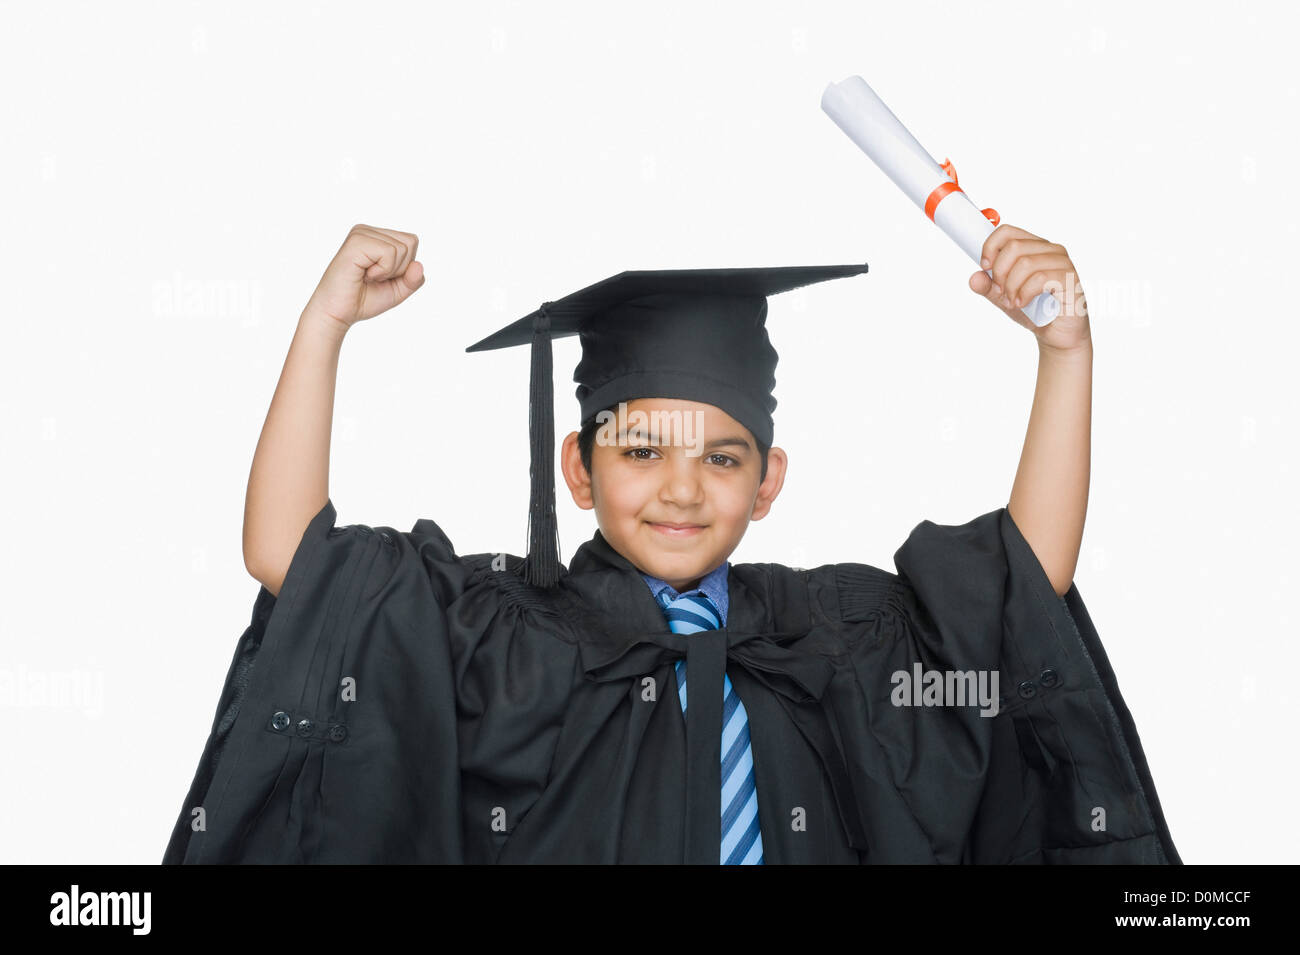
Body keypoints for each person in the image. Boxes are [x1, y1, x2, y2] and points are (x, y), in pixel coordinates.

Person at [163, 223, 1180, 864]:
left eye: (724, 460)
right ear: (579, 468)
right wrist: (322, 326)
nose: (682, 489)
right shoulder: (499, 633)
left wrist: (1065, 351)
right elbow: (290, 558)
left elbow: (1016, 602)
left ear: (769, 481)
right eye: (641, 451)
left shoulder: (829, 638)